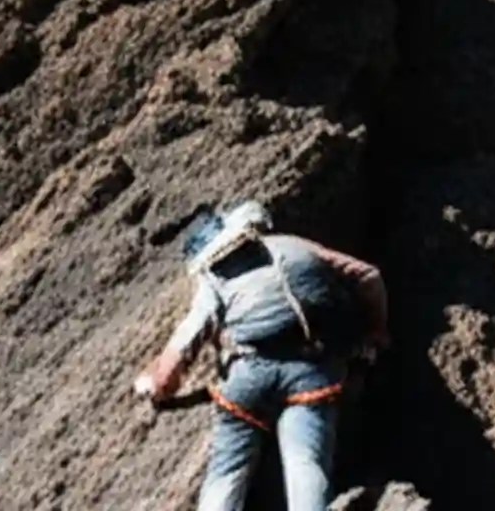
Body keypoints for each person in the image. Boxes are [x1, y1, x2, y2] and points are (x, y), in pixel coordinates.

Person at [134, 201, 389, 511]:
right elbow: (368, 275)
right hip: (312, 373)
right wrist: (376, 332)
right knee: (304, 462)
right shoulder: (293, 246)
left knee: (226, 473)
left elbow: (184, 344)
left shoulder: (214, 278)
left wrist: (159, 387)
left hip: (248, 380)